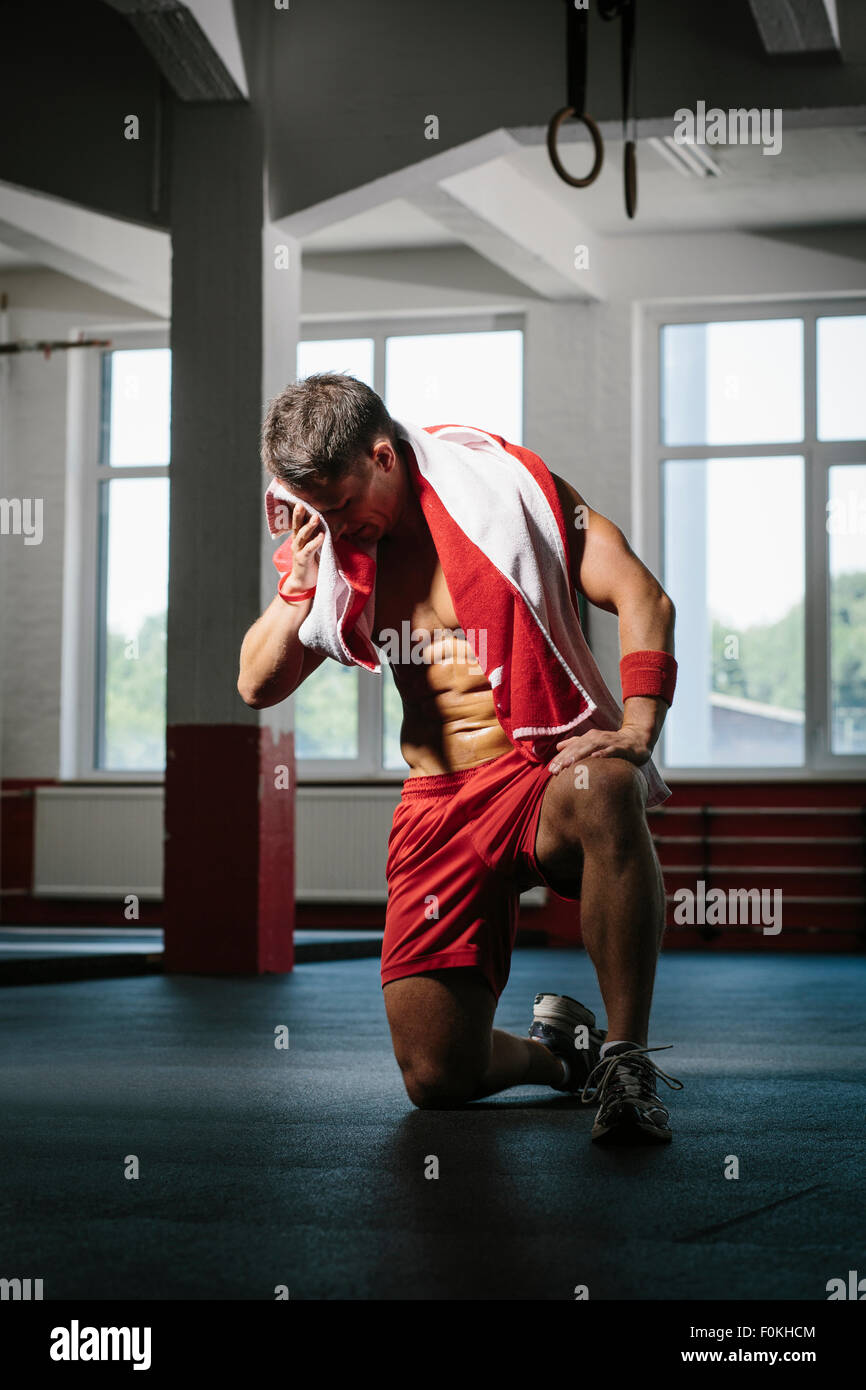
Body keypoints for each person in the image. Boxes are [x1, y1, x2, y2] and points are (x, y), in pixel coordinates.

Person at [239, 374, 683, 1144]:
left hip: (535, 774)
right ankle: (563, 1057)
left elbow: (644, 595)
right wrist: (296, 590)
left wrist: (639, 728)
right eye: (321, 511)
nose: (338, 524)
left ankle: (625, 1057)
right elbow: (256, 683)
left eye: (346, 504)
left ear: (383, 455)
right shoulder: (334, 549)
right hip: (437, 799)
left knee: (606, 783)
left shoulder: (509, 491)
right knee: (437, 1080)